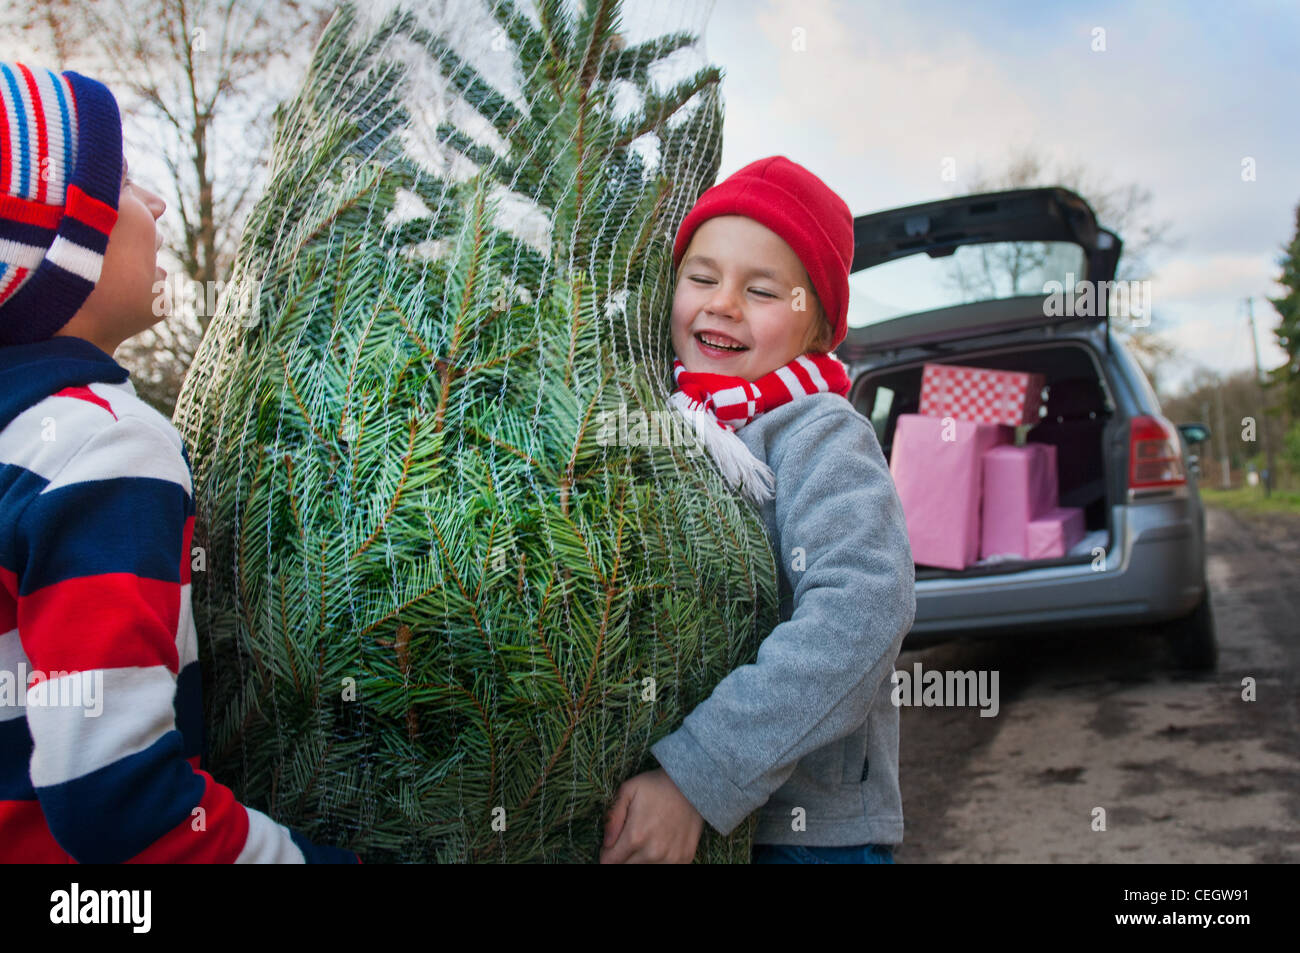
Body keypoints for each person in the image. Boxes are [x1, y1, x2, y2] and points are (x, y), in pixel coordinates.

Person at [0, 61, 357, 862]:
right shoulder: (101, 445)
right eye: (123, 182)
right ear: (65, 252)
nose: (156, 202)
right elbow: (120, 801)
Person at [599, 156, 916, 864]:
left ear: (816, 327)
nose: (723, 304)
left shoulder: (820, 434)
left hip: (801, 834)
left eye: (763, 290)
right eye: (702, 277)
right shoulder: (662, 420)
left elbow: (861, 612)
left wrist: (697, 774)